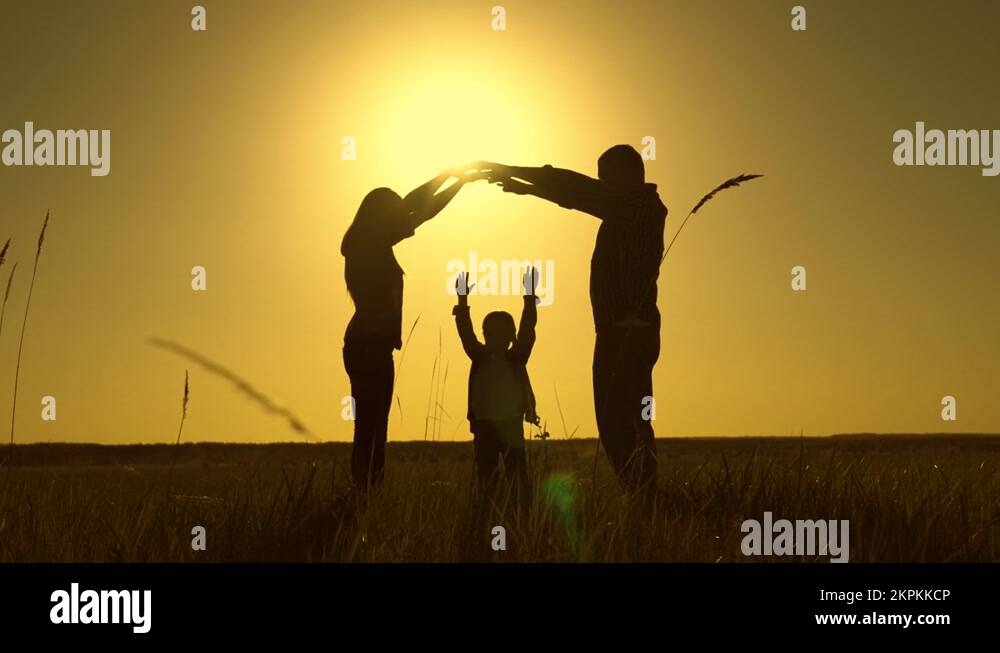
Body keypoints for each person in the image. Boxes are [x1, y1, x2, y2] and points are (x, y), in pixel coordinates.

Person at [474, 147, 666, 501]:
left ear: (625, 174)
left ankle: (642, 497)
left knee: (617, 422)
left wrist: (513, 170)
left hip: (624, 332)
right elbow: (576, 191)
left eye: (604, 176)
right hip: (628, 331)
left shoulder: (635, 206)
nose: (600, 183)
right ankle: (645, 497)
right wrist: (527, 186)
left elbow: (573, 187)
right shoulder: (634, 208)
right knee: (630, 420)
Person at [341, 166, 478, 491]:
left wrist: (455, 180)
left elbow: (418, 209)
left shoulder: (366, 240)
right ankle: (365, 497)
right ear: (380, 215)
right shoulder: (367, 241)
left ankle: (366, 496)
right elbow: (418, 208)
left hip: (369, 343)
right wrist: (452, 177)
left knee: (371, 427)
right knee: (371, 428)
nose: (402, 216)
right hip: (369, 344)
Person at [452, 267, 540, 501]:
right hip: (484, 426)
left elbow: (528, 329)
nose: (494, 339)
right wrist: (462, 301)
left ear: (510, 336)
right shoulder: (479, 356)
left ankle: (520, 512)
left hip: (511, 426)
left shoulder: (516, 358)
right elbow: (465, 332)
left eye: (501, 334)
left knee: (518, 478)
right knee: (486, 480)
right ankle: (487, 512)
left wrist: (530, 297)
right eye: (489, 333)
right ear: (484, 335)